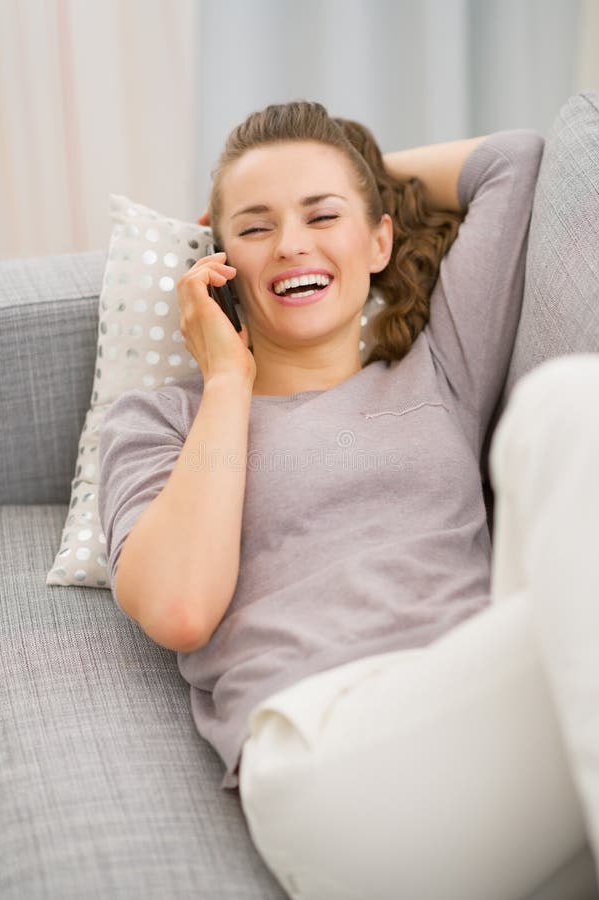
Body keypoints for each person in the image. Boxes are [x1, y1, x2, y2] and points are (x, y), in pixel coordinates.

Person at [98, 101, 599, 899]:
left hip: (500, 742)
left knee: (581, 408)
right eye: (255, 228)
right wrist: (229, 379)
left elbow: (513, 159)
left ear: (378, 241)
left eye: (321, 216)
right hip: (333, 757)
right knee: (568, 404)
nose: (291, 243)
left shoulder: (440, 368)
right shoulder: (165, 421)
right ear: (220, 261)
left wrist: (354, 170)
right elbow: (180, 608)